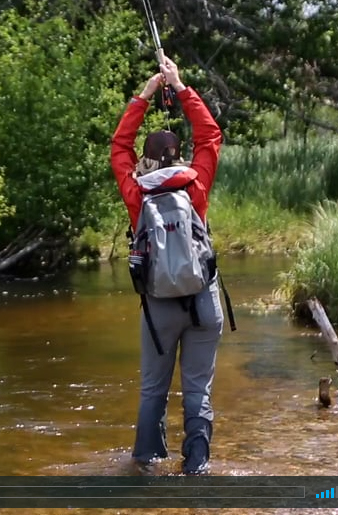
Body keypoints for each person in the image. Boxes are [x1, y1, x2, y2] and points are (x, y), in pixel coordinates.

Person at [109, 55, 225, 475]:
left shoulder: (136, 193)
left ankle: (145, 466)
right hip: (203, 301)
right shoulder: (196, 183)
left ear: (146, 159)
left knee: (153, 389)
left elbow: (118, 146)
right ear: (179, 156)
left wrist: (144, 96)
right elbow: (210, 135)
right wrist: (179, 86)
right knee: (198, 391)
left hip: (159, 305)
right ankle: (196, 467)